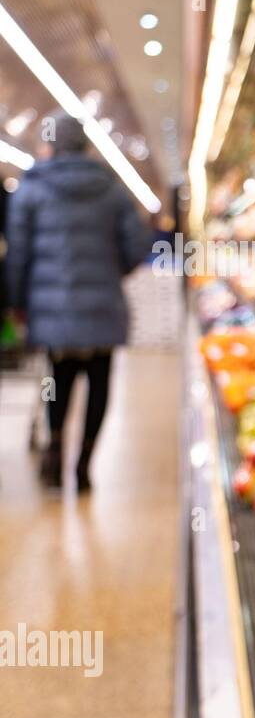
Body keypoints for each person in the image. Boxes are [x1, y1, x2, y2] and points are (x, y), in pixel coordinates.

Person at [4, 111, 149, 492]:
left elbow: (17, 255)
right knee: (99, 383)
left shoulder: (30, 190)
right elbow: (137, 249)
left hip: (52, 312)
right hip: (103, 308)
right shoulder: (112, 189)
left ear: (50, 144)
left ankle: (54, 454)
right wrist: (107, 271)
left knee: (56, 381)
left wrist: (17, 303)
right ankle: (84, 465)